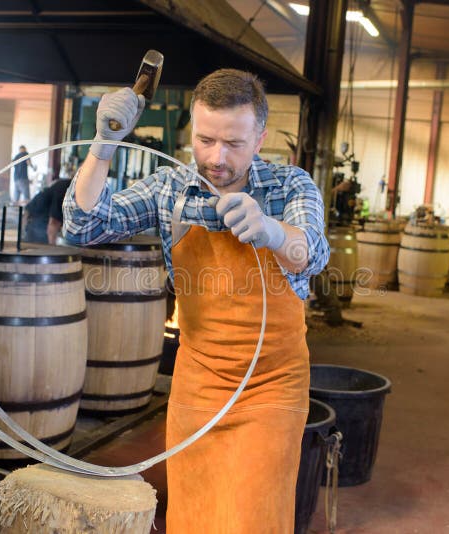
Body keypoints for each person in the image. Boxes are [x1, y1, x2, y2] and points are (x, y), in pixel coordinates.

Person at [63, 69, 329, 533]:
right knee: (192, 515)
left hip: (272, 385)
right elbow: (84, 225)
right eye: (205, 140)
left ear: (260, 137)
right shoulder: (169, 187)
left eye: (233, 144)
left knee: (253, 517)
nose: (216, 158)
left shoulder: (290, 186)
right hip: (198, 383)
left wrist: (270, 230)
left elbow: (313, 255)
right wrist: (103, 147)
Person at [25, 178, 71, 244]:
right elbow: (53, 224)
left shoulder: (66, 185)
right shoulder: (64, 189)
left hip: (36, 222)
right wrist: (52, 251)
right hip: (36, 227)